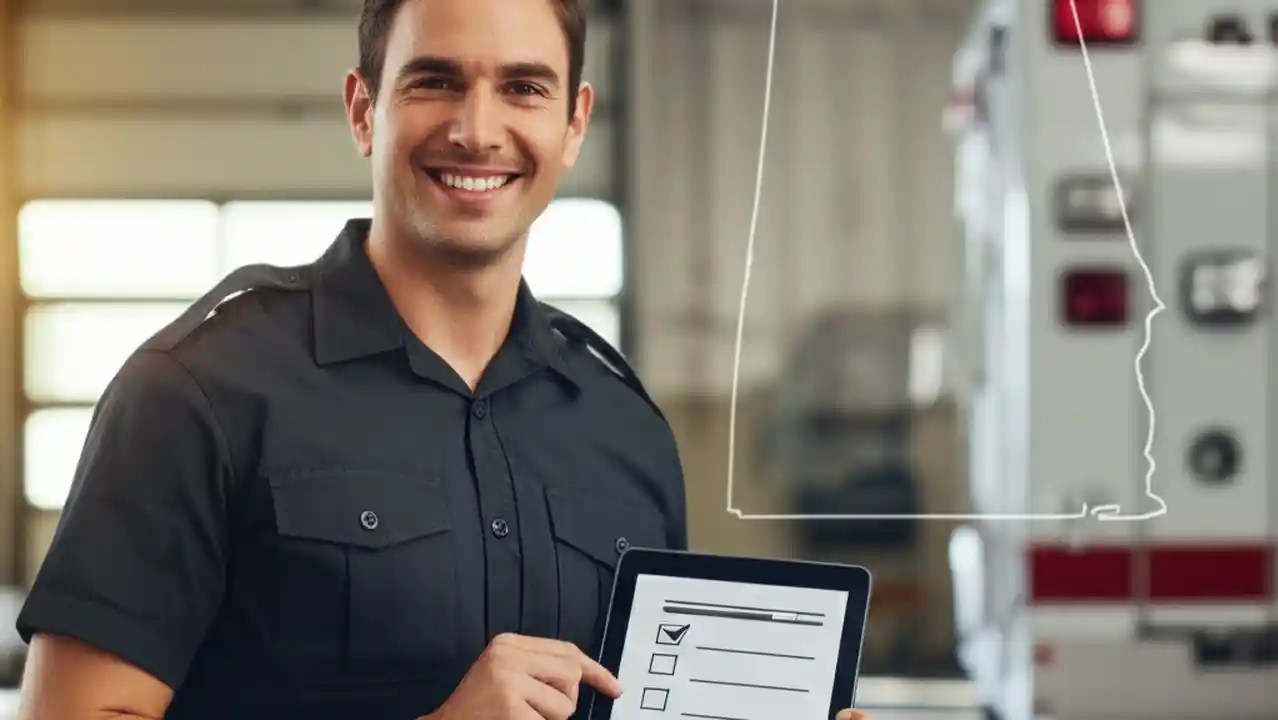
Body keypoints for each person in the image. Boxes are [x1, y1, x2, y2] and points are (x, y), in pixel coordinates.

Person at [13, 1, 871, 718]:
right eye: (435, 81)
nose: (476, 129)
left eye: (524, 88)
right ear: (362, 110)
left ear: (573, 123)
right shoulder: (200, 391)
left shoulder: (624, 426)